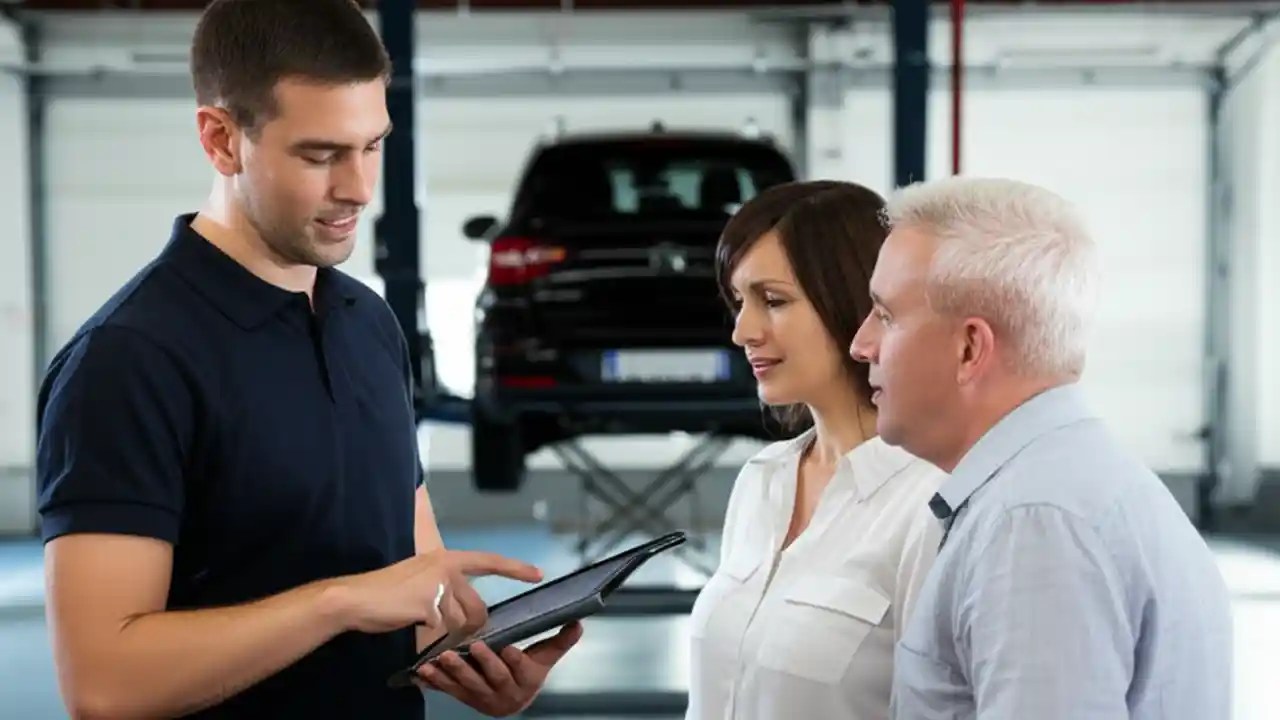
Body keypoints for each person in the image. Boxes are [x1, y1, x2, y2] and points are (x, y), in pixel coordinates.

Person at [34, 2, 579, 718]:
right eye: (320, 156)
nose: (357, 188)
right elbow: (103, 684)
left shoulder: (370, 326)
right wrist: (341, 602)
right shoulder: (128, 362)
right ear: (221, 139)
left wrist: (472, 658)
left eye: (373, 145)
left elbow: (413, 588)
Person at [849, 176, 1234, 719]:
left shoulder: (1032, 524)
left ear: (969, 348)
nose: (861, 344)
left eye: (885, 315)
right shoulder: (1068, 489)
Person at [686, 180, 948, 720]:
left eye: (773, 301)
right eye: (739, 303)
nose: (743, 331)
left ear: (854, 301)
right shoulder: (762, 480)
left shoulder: (931, 504)